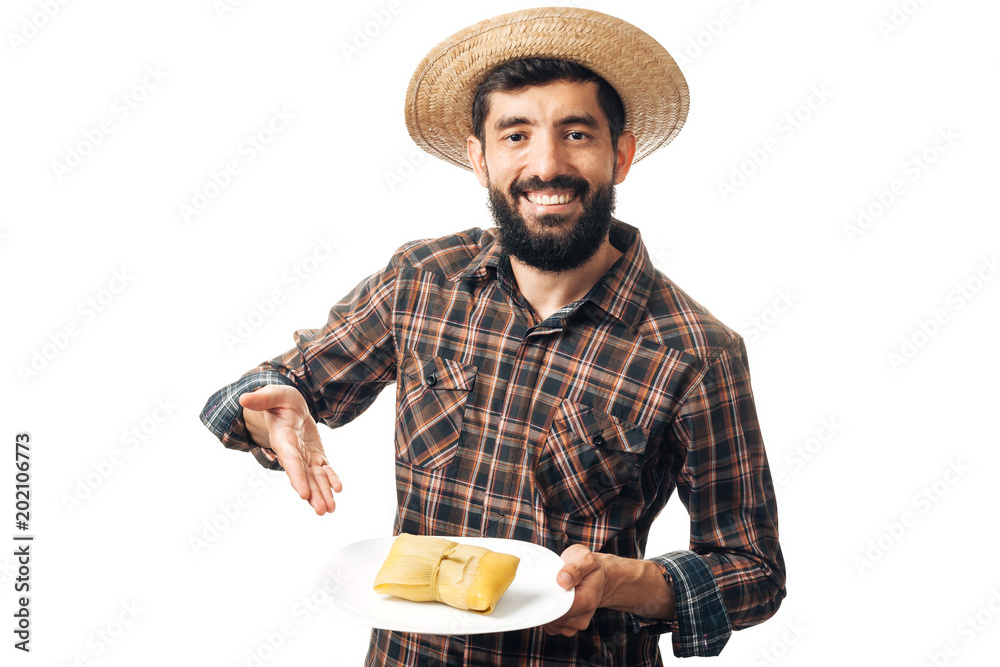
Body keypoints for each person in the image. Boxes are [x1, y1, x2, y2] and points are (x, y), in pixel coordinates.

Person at [200, 7, 785, 666]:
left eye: (576, 133)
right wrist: (269, 415)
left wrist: (634, 583)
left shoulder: (696, 350)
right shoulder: (420, 281)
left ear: (620, 154)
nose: (547, 164)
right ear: (479, 158)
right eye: (516, 135)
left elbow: (753, 568)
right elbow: (270, 388)